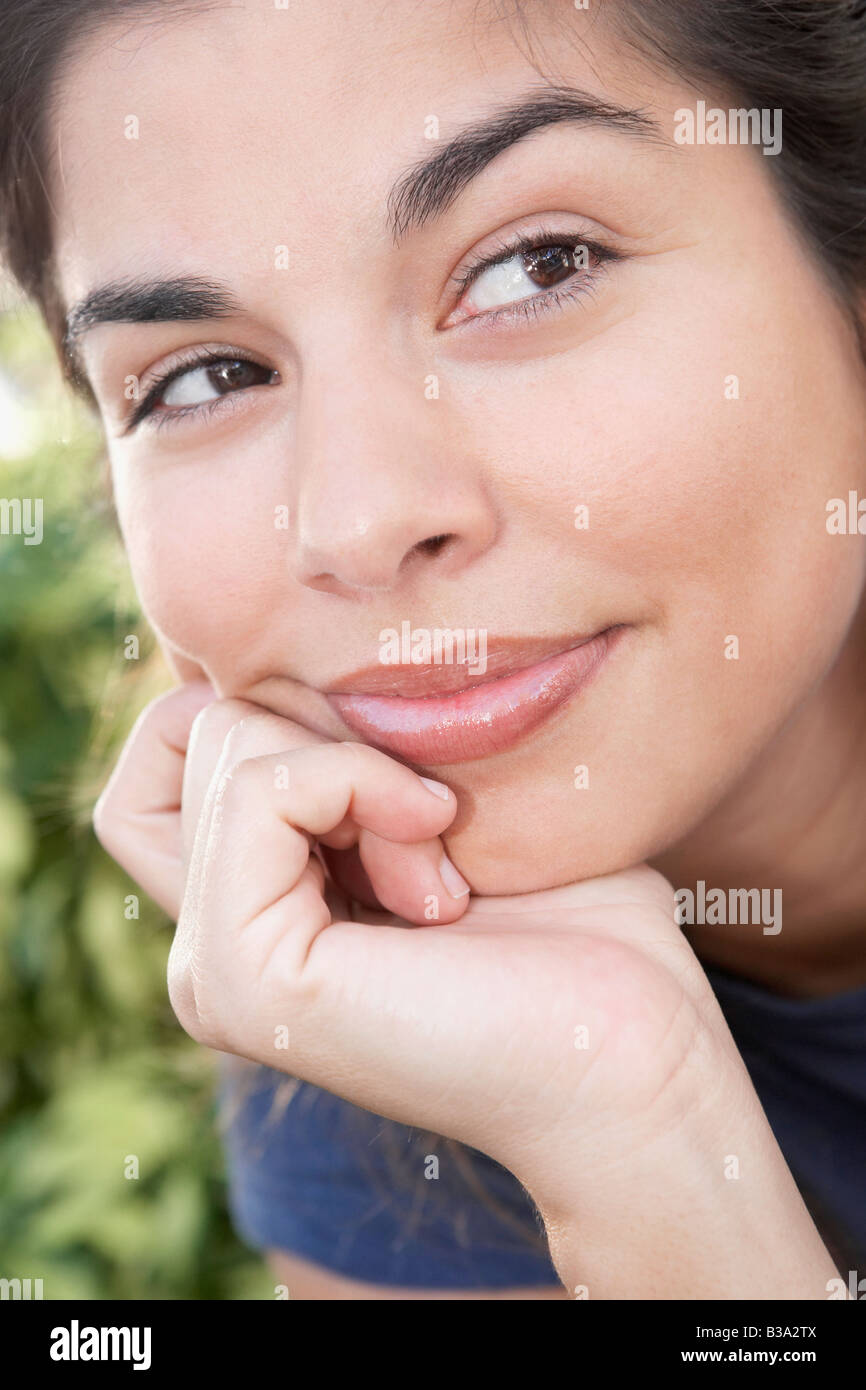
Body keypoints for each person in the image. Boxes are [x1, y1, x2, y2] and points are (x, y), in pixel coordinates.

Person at [2, 0, 866, 1299]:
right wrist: (630, 1135)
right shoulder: (375, 1068)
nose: (355, 521)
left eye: (536, 264)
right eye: (203, 379)